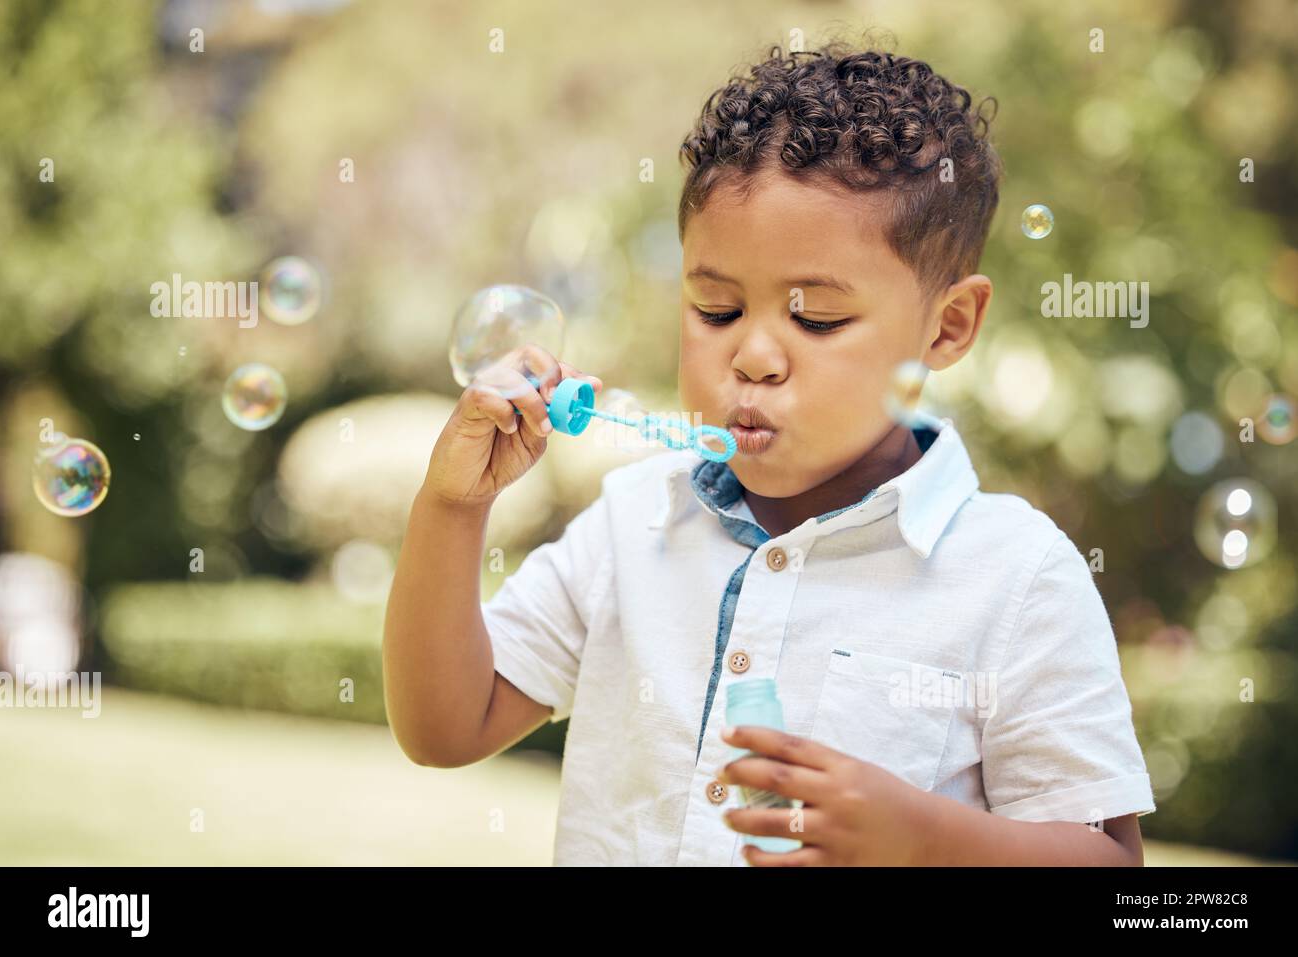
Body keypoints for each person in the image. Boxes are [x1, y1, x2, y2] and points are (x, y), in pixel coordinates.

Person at [383, 38, 1155, 866]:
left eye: (816, 319)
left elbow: (1109, 861)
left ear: (948, 325)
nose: (752, 356)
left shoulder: (1014, 576)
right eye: (714, 309)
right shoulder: (632, 523)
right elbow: (445, 725)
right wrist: (453, 508)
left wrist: (924, 839)